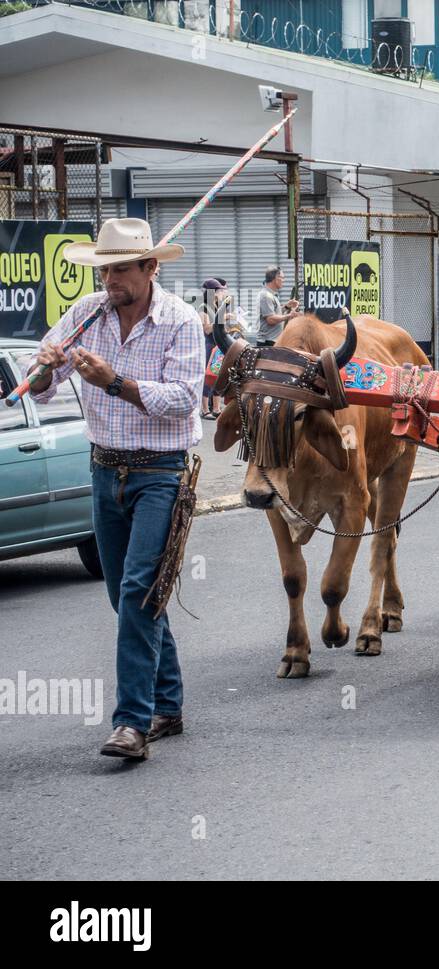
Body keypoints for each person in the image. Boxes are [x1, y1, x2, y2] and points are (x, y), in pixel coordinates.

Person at [26, 217, 204, 761]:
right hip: (105, 469)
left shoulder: (180, 320)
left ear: (151, 268)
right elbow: (41, 381)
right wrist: (44, 368)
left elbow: (181, 400)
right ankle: (168, 703)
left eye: (121, 269)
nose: (110, 280)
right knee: (128, 596)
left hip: (162, 472)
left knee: (136, 591)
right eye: (104, 269)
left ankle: (132, 721)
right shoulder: (86, 314)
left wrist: (114, 383)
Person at [198, 277, 229, 419]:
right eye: (220, 291)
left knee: (217, 376)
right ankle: (204, 409)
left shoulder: (217, 307)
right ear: (213, 292)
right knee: (208, 377)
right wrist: (223, 318)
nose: (223, 293)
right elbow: (207, 330)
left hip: (218, 345)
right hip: (209, 345)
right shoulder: (203, 308)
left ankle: (216, 408)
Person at [256, 265, 298, 346]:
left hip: (272, 341)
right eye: (282, 278)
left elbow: (274, 314)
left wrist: (286, 307)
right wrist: (290, 315)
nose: (284, 280)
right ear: (276, 279)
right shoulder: (265, 295)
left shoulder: (271, 295)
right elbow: (271, 319)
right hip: (267, 342)